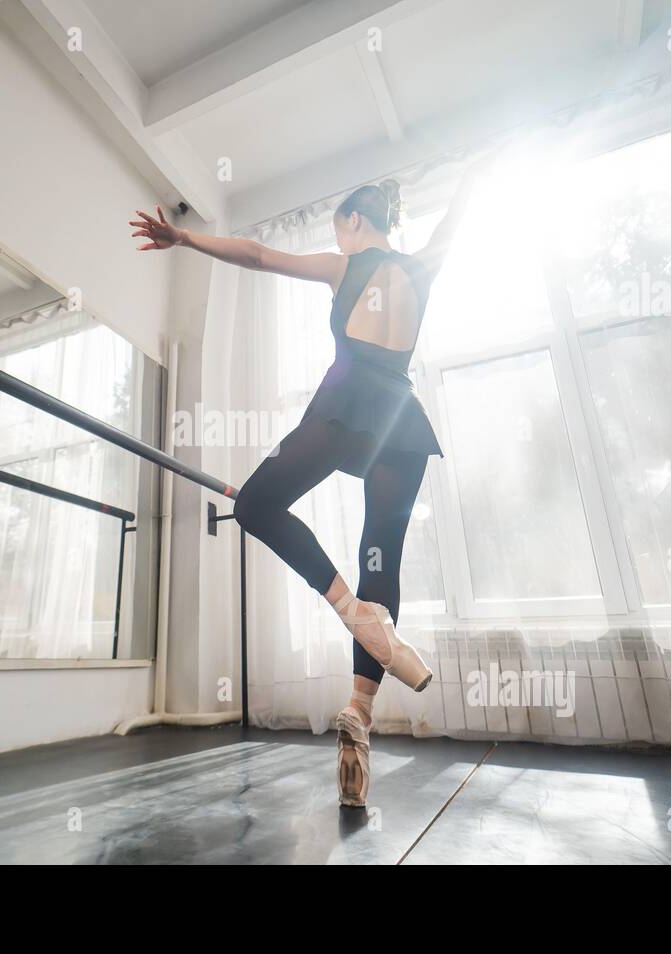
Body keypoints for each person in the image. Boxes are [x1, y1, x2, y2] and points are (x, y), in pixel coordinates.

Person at [129, 151, 493, 806]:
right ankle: (361, 709)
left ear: (353, 221)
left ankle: (351, 614)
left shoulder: (346, 265)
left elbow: (257, 256)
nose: (337, 239)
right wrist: (474, 174)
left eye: (338, 228)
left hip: (346, 403)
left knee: (258, 505)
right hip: (402, 422)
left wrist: (184, 237)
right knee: (380, 553)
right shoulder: (422, 266)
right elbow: (459, 222)